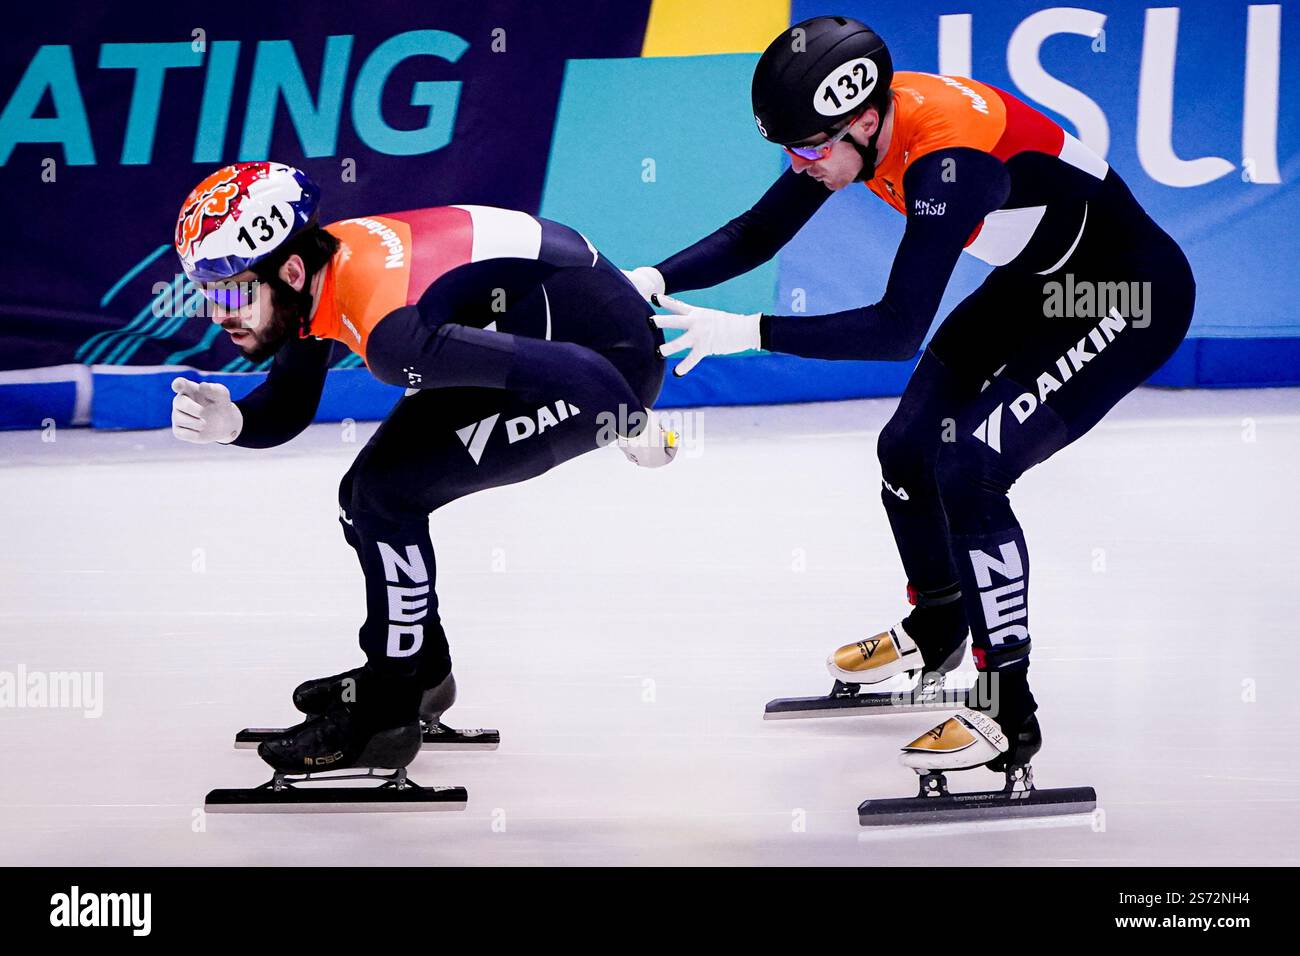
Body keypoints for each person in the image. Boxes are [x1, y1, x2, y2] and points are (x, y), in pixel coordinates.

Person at [624, 15, 1194, 777]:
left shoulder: (947, 162)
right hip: (1039, 281)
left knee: (973, 471)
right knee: (908, 447)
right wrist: (652, 280)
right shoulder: (855, 131)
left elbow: (897, 328)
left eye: (809, 150)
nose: (800, 166)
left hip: (1128, 292)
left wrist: (749, 331)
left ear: (863, 121)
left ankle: (1008, 709)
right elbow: (761, 231)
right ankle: (938, 623)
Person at [170, 161, 674, 774]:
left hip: (601, 363)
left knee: (387, 496)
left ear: (291, 270)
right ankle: (420, 673)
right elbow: (290, 404)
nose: (218, 313)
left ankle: (386, 713)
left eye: (229, 292)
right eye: (207, 294)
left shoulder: (391, 335)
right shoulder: (316, 274)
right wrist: (236, 426)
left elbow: (576, 368)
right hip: (532, 326)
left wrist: (628, 420)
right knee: (361, 494)